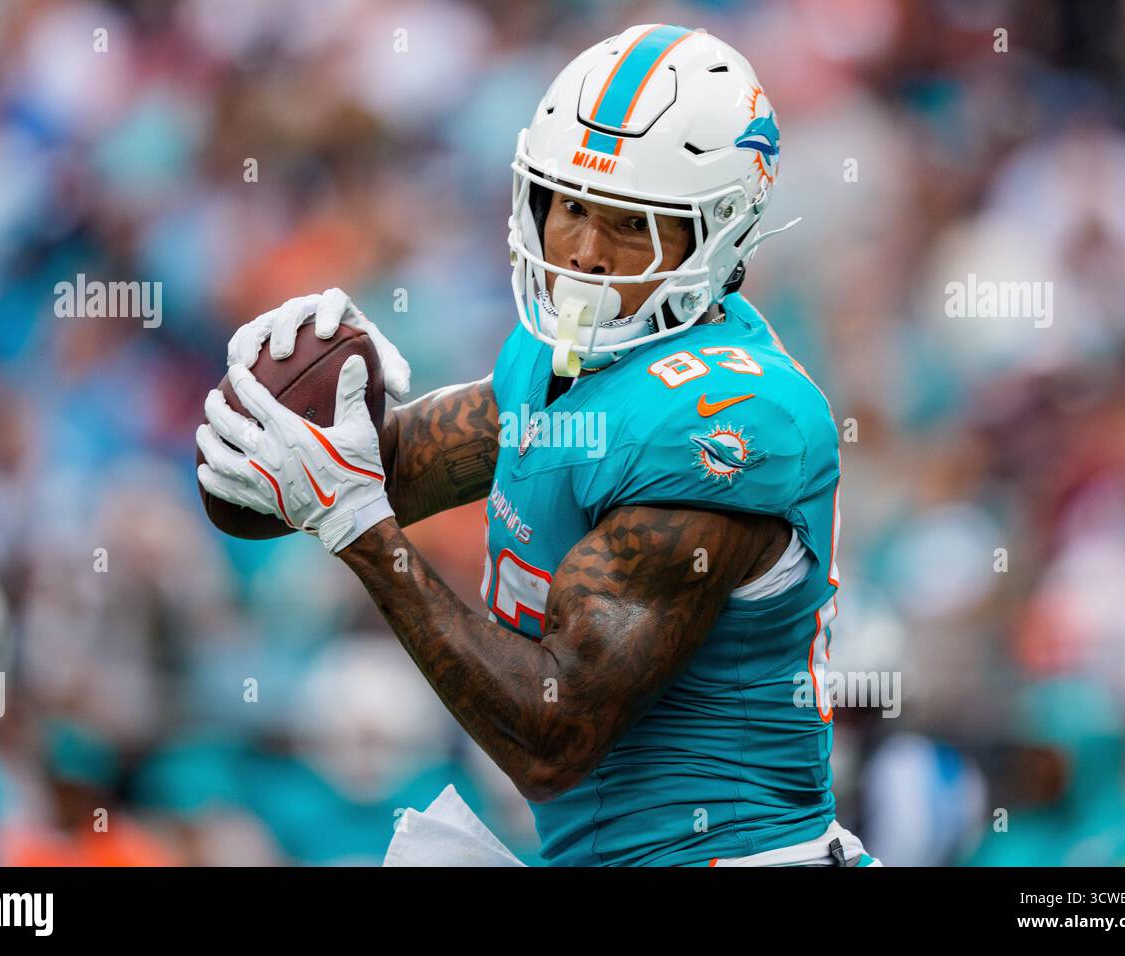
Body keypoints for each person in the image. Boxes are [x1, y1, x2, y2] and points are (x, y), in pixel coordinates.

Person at [197, 23, 875, 867]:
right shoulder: (556, 361)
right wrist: (292, 407)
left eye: (633, 225)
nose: (585, 252)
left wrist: (363, 532)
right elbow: (269, 497)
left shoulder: (736, 422)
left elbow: (554, 735)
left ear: (720, 234)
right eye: (572, 207)